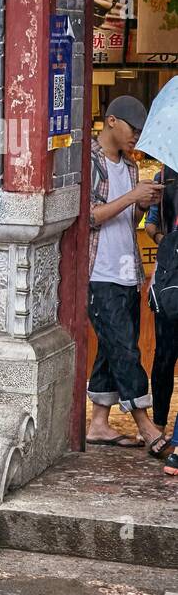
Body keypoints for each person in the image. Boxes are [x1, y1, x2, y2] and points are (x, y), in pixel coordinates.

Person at [86, 95, 168, 457]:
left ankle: (99, 424)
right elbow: (89, 216)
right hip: (98, 272)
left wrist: (140, 205)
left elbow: (125, 222)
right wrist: (132, 195)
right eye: (133, 129)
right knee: (124, 349)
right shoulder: (88, 160)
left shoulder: (132, 167)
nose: (137, 136)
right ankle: (145, 425)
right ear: (112, 122)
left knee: (111, 346)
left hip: (126, 270)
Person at [145, 160, 178, 453]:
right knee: (164, 356)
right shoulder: (163, 177)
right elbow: (150, 225)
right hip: (170, 279)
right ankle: (159, 423)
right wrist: (164, 241)